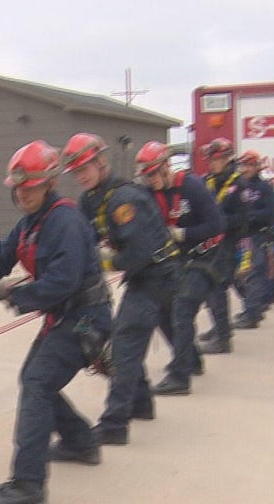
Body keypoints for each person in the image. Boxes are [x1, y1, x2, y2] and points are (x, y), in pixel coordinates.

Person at [0, 140, 111, 504]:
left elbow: (62, 281)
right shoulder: (32, 222)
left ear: (48, 183)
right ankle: (80, 442)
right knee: (35, 378)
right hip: (66, 316)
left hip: (85, 318)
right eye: (19, 189)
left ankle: (28, 487)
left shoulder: (66, 221)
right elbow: (1, 256)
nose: (24, 195)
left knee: (37, 383)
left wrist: (15, 295)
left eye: (31, 187)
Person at [61, 134, 180, 446]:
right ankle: (141, 403)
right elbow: (82, 236)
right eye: (76, 171)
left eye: (85, 167)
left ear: (101, 162)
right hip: (143, 278)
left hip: (158, 275)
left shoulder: (124, 199)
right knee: (127, 338)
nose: (81, 175)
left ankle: (114, 424)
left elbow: (137, 254)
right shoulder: (91, 199)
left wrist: (104, 264)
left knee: (124, 345)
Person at [131, 141, 225, 396]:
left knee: (182, 307)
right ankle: (191, 358)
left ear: (165, 167)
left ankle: (179, 376)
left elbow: (217, 224)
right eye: (146, 175)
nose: (150, 180)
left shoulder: (192, 187)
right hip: (177, 261)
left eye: (153, 173)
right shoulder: (150, 195)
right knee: (163, 309)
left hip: (206, 257)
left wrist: (183, 234)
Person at [200, 139, 245, 353]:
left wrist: (219, 221)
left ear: (228, 159)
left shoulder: (239, 185)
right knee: (209, 288)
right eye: (211, 159)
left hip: (228, 243)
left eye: (217, 159)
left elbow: (243, 219)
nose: (212, 163)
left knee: (218, 288)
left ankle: (223, 338)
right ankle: (219, 327)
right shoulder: (208, 181)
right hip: (210, 243)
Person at [231, 150, 274, 328]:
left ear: (257, 167)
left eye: (250, 165)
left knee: (253, 274)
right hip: (240, 237)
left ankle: (252, 314)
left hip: (257, 236)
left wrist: (249, 215)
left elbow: (272, 213)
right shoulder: (238, 186)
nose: (246, 169)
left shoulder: (264, 188)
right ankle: (252, 307)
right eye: (244, 165)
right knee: (236, 276)